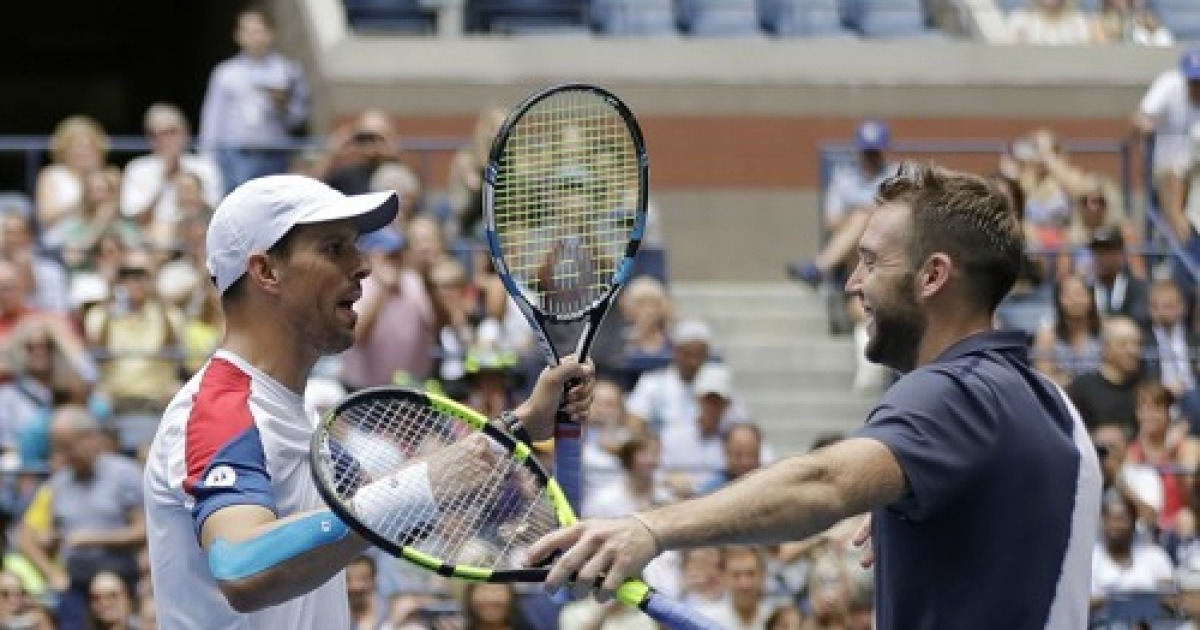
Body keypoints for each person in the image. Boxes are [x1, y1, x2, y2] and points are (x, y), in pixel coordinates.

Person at [527, 163, 1102, 629]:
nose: (853, 283)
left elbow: (823, 484)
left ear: (932, 277)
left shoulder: (953, 393)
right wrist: (925, 489)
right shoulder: (1053, 405)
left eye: (871, 261)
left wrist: (648, 530)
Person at [143, 174, 595, 629]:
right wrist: (426, 484)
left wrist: (517, 427)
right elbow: (241, 565)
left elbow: (366, 505)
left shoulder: (295, 414)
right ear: (265, 272)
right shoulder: (219, 408)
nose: (363, 265)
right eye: (334, 249)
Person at [198, 6, 310, 191]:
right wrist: (207, 157)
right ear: (238, 35)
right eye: (248, 32)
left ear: (270, 33)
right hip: (236, 155)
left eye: (258, 31)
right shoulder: (225, 73)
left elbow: (298, 120)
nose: (254, 37)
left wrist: (283, 105)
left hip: (275, 154)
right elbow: (212, 117)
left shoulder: (288, 71)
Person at [121, 103, 223, 250]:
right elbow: (136, 220)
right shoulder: (137, 168)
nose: (166, 139)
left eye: (172, 132)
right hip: (150, 239)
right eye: (159, 134)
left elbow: (214, 213)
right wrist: (163, 179)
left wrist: (189, 189)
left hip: (196, 236)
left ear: (185, 133)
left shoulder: (205, 166)